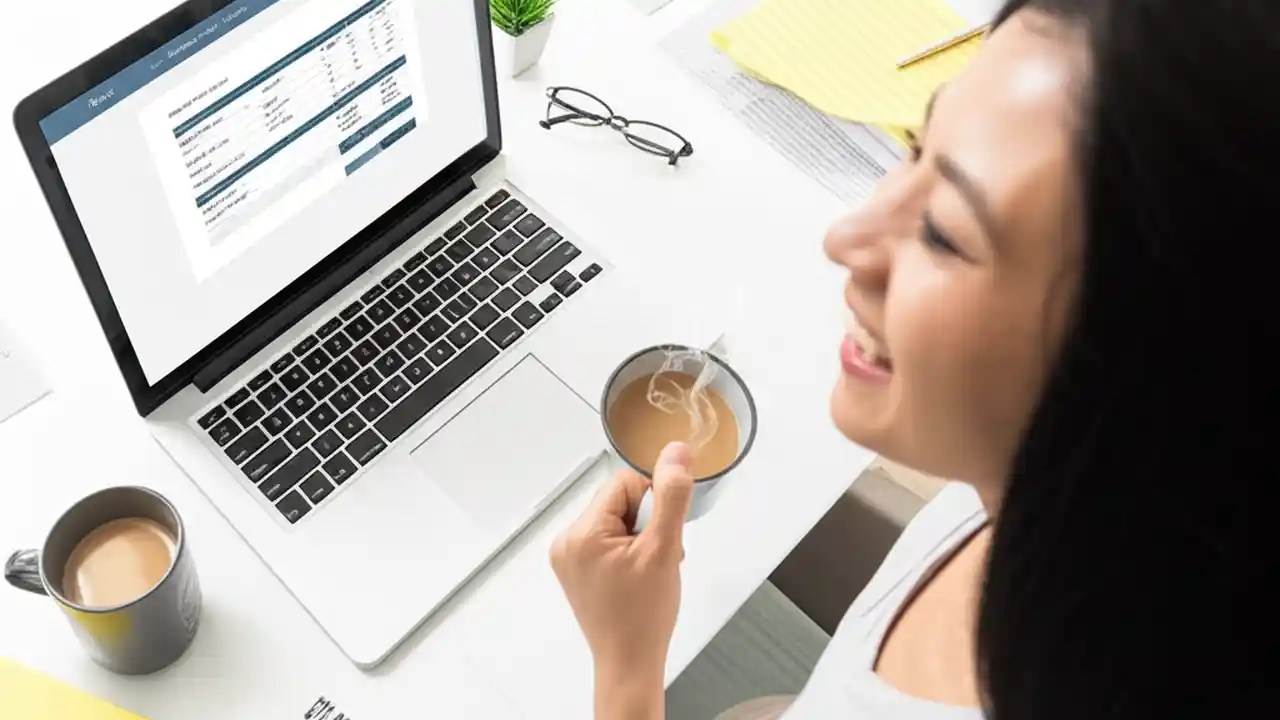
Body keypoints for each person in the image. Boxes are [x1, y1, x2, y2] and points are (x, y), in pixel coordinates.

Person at [550, 0, 1271, 716]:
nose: (845, 238)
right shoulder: (1030, 494)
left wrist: (626, 667)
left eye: (945, 231)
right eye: (915, 147)